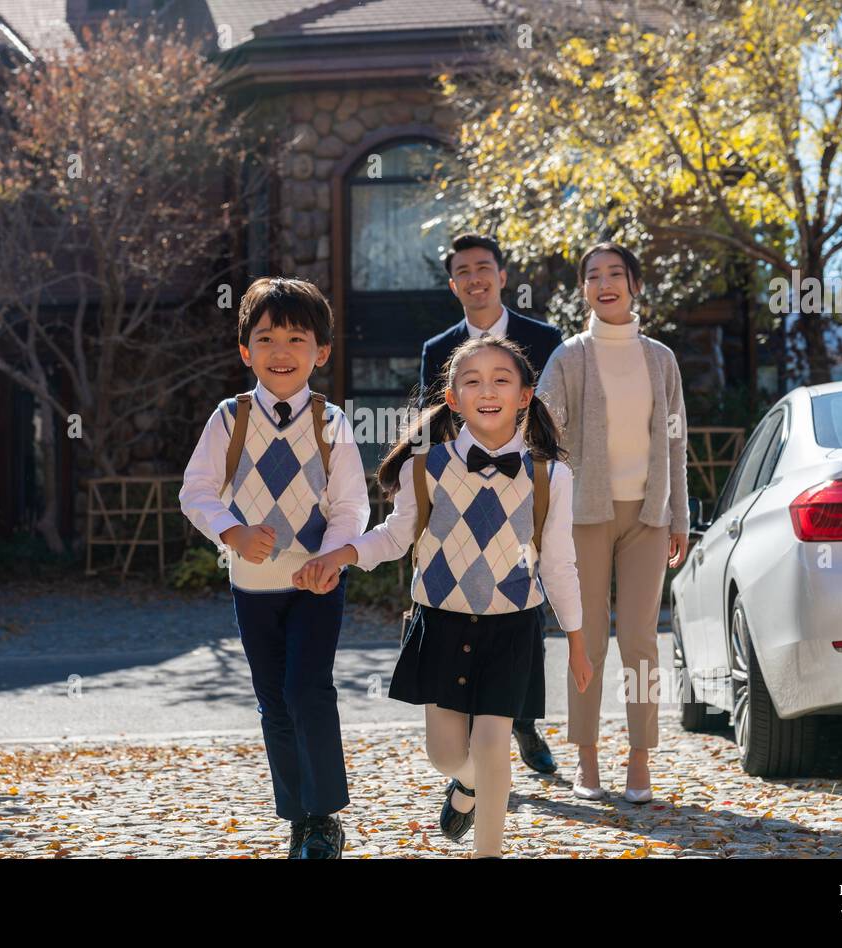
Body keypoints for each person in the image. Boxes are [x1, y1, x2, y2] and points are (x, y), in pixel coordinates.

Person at [295, 335, 594, 858]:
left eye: (502, 379)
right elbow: (392, 537)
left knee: (494, 744)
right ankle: (467, 785)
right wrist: (339, 555)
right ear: (452, 399)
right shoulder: (423, 467)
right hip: (441, 622)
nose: (488, 390)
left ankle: (488, 850)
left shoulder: (552, 476)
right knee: (446, 752)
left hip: (513, 627)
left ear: (525, 395)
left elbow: (559, 562)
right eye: (472, 380)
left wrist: (576, 637)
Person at [178, 276, 371, 857]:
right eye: (265, 338)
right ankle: (298, 816)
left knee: (307, 691)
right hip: (253, 587)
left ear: (322, 351)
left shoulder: (331, 422)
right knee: (274, 702)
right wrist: (232, 532)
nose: (280, 351)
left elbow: (351, 505)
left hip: (316, 584)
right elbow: (196, 492)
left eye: (296, 338)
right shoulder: (229, 419)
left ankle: (324, 817)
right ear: (245, 351)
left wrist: (334, 556)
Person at [536, 243, 689, 804]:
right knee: (588, 638)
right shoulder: (570, 357)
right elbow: (542, 426)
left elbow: (676, 440)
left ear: (634, 285)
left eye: (616, 274)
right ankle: (587, 759)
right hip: (584, 516)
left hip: (648, 516)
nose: (605, 284)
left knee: (641, 639)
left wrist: (679, 516)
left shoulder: (661, 359)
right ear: (583, 290)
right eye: (594, 276)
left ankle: (641, 760)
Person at [419, 233, 565, 774]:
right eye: (464, 271)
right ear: (454, 283)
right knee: (466, 612)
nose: (475, 278)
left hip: (526, 489)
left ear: (502, 276)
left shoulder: (543, 338)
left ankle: (523, 724)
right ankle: (470, 750)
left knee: (525, 611)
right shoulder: (438, 349)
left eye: (485, 268)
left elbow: (557, 416)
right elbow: (431, 425)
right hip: (462, 497)